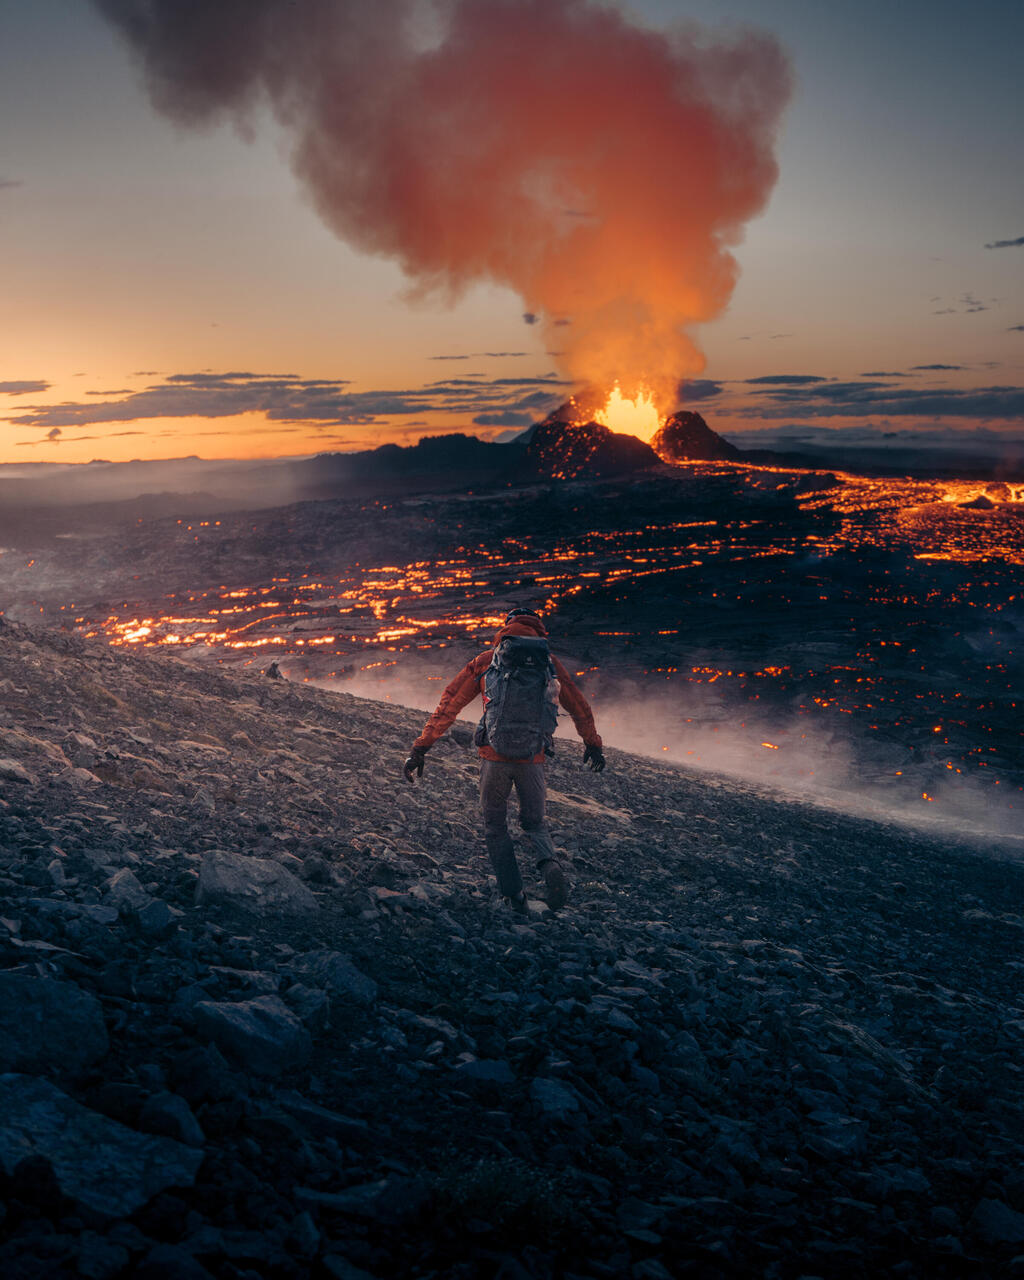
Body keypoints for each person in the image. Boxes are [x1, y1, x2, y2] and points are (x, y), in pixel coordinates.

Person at [403, 608, 606, 912]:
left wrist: (421, 748)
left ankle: (514, 896)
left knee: (495, 825)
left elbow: (449, 705)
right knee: (534, 823)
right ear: (538, 630)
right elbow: (578, 705)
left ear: (507, 627)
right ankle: (549, 864)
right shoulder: (548, 663)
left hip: (493, 758)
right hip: (532, 758)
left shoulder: (488, 661)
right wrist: (592, 744)